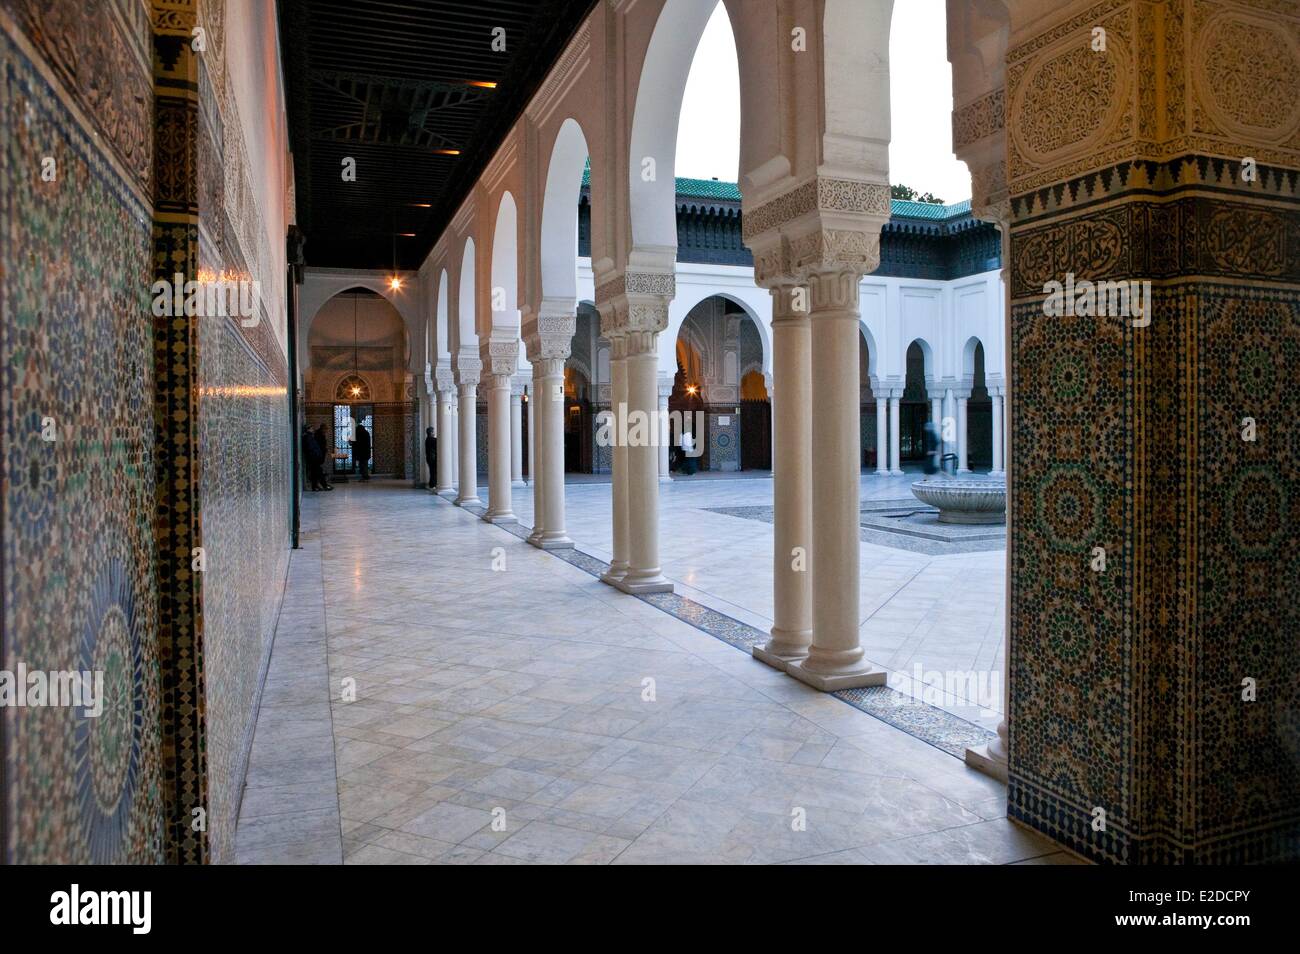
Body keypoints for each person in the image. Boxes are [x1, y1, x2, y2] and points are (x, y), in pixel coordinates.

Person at [313, 424, 334, 490]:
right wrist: (324, 450)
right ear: (323, 429)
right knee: (318, 471)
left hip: (318, 456)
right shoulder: (318, 435)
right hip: (317, 456)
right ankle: (323, 485)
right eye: (326, 429)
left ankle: (317, 485)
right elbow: (319, 446)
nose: (326, 431)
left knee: (317, 471)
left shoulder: (319, 434)